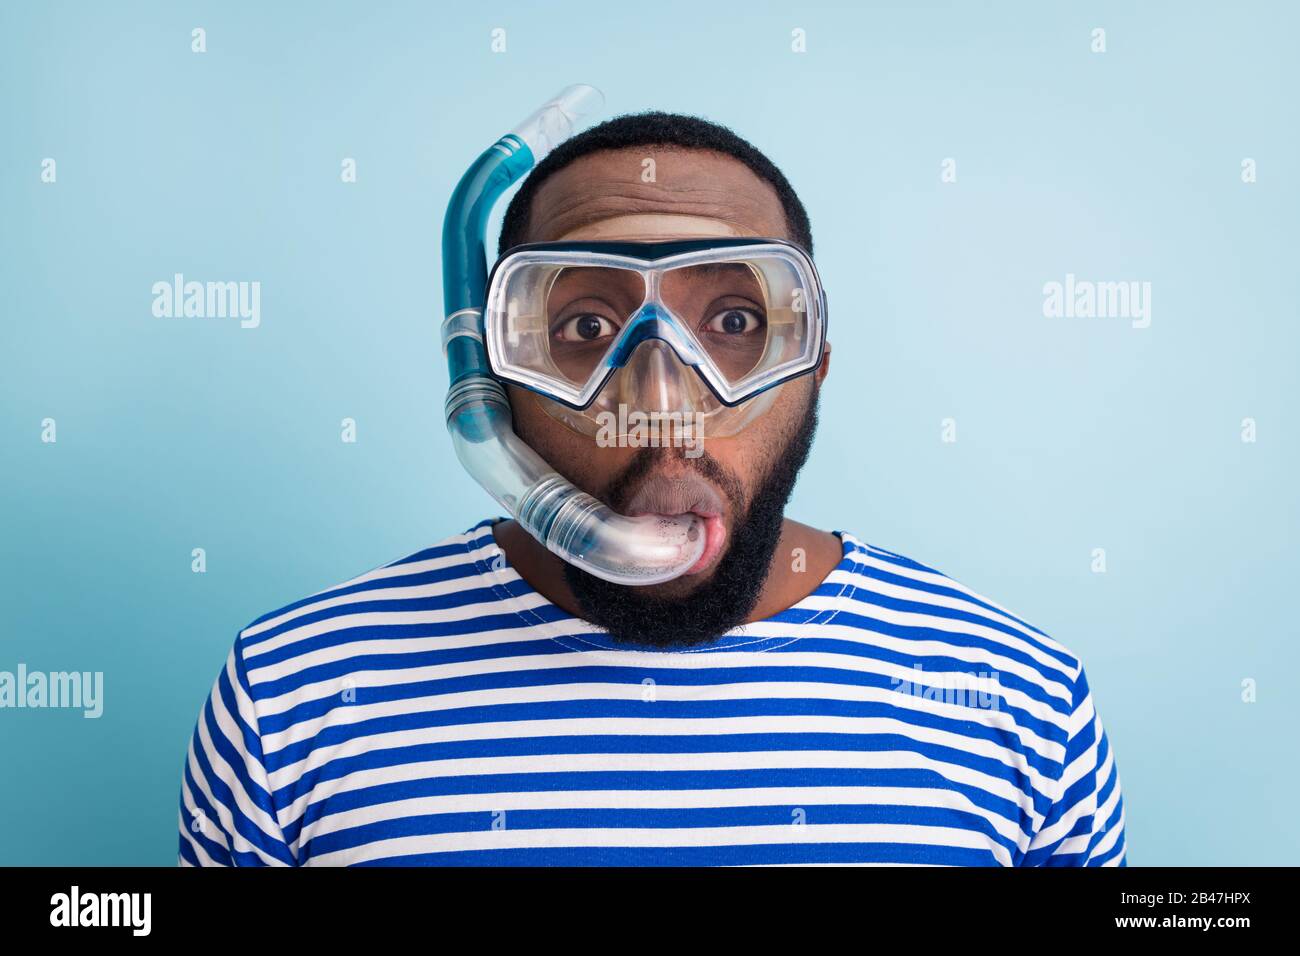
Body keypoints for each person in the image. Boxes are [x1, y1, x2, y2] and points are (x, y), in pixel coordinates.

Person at [177, 90, 1126, 867]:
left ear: (817, 362)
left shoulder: (1014, 698)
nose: (663, 396)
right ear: (494, 372)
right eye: (587, 326)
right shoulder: (293, 698)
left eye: (735, 323)